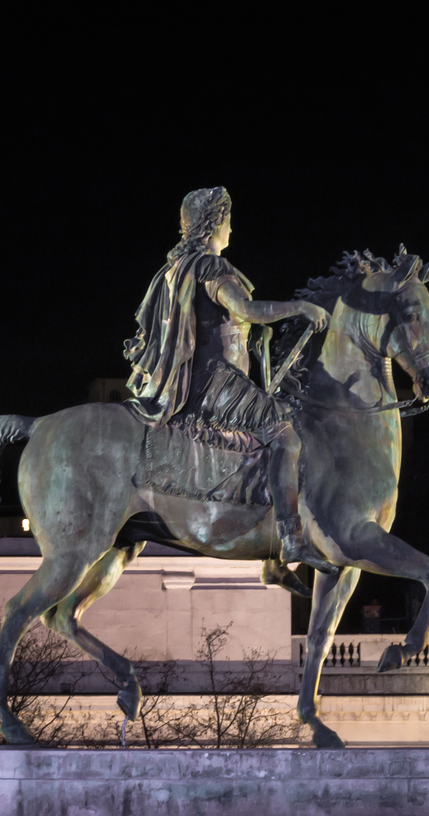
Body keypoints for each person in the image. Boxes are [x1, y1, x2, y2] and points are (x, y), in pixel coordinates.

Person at [124, 187, 333, 572]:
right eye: (228, 221)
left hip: (196, 381)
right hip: (217, 383)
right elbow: (246, 309)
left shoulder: (175, 269)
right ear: (213, 223)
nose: (231, 229)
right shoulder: (209, 266)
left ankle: (270, 551)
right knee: (285, 436)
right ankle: (290, 540)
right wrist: (298, 308)